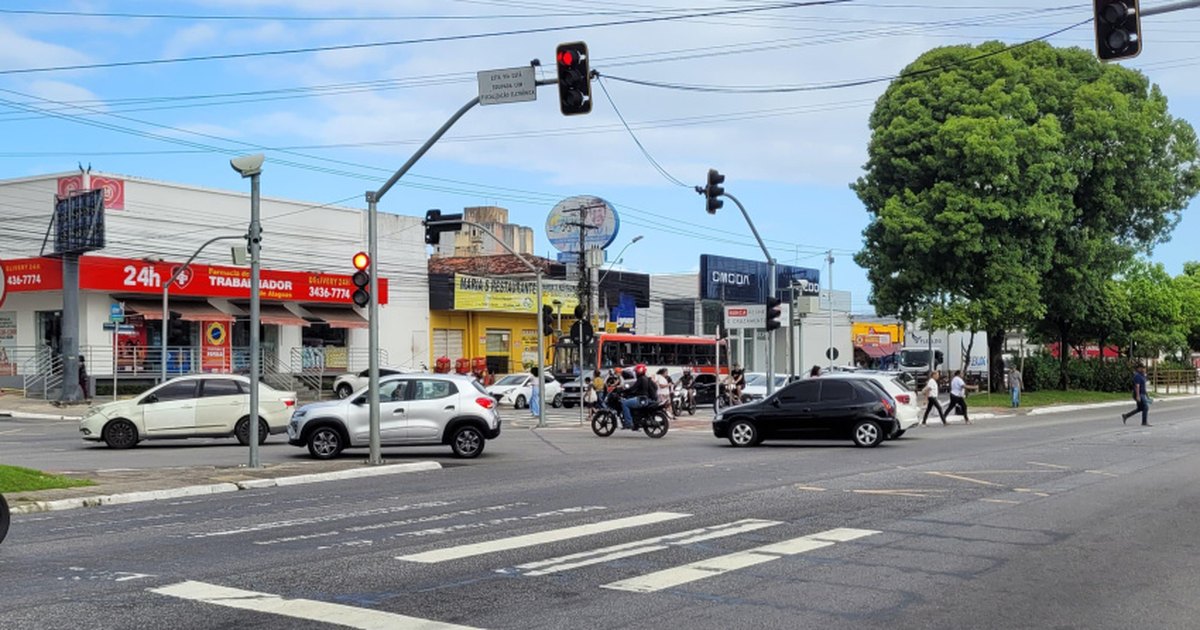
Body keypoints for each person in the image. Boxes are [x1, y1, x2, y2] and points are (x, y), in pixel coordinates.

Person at [619, 364, 657, 430]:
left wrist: (623, 391)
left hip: (641, 399)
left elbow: (633, 389)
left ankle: (628, 423)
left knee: (624, 403)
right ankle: (635, 423)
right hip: (646, 399)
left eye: (636, 371)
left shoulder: (641, 379)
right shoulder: (646, 378)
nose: (635, 373)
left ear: (639, 371)